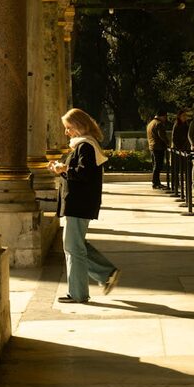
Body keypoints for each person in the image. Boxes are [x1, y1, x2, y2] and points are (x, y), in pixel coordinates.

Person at [49, 107, 120, 304]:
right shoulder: (85, 146)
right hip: (80, 203)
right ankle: (106, 273)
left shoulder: (85, 146)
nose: (66, 132)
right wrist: (62, 170)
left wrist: (63, 168)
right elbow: (80, 174)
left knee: (73, 247)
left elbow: (83, 174)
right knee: (76, 245)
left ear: (79, 126)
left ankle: (79, 292)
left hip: (78, 204)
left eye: (68, 127)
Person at [146, 110, 168, 189]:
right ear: (162, 116)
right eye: (165, 117)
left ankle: (156, 182)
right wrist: (167, 143)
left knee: (155, 165)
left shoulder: (150, 123)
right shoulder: (159, 124)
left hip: (152, 147)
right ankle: (156, 183)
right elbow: (162, 135)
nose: (165, 119)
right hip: (158, 147)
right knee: (158, 165)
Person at [171, 109, 190, 191]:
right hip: (177, 149)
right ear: (179, 116)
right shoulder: (177, 125)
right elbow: (174, 138)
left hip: (184, 149)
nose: (185, 117)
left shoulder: (186, 124)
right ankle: (175, 183)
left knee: (184, 166)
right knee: (177, 167)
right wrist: (179, 148)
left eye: (186, 115)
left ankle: (185, 182)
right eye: (183, 116)